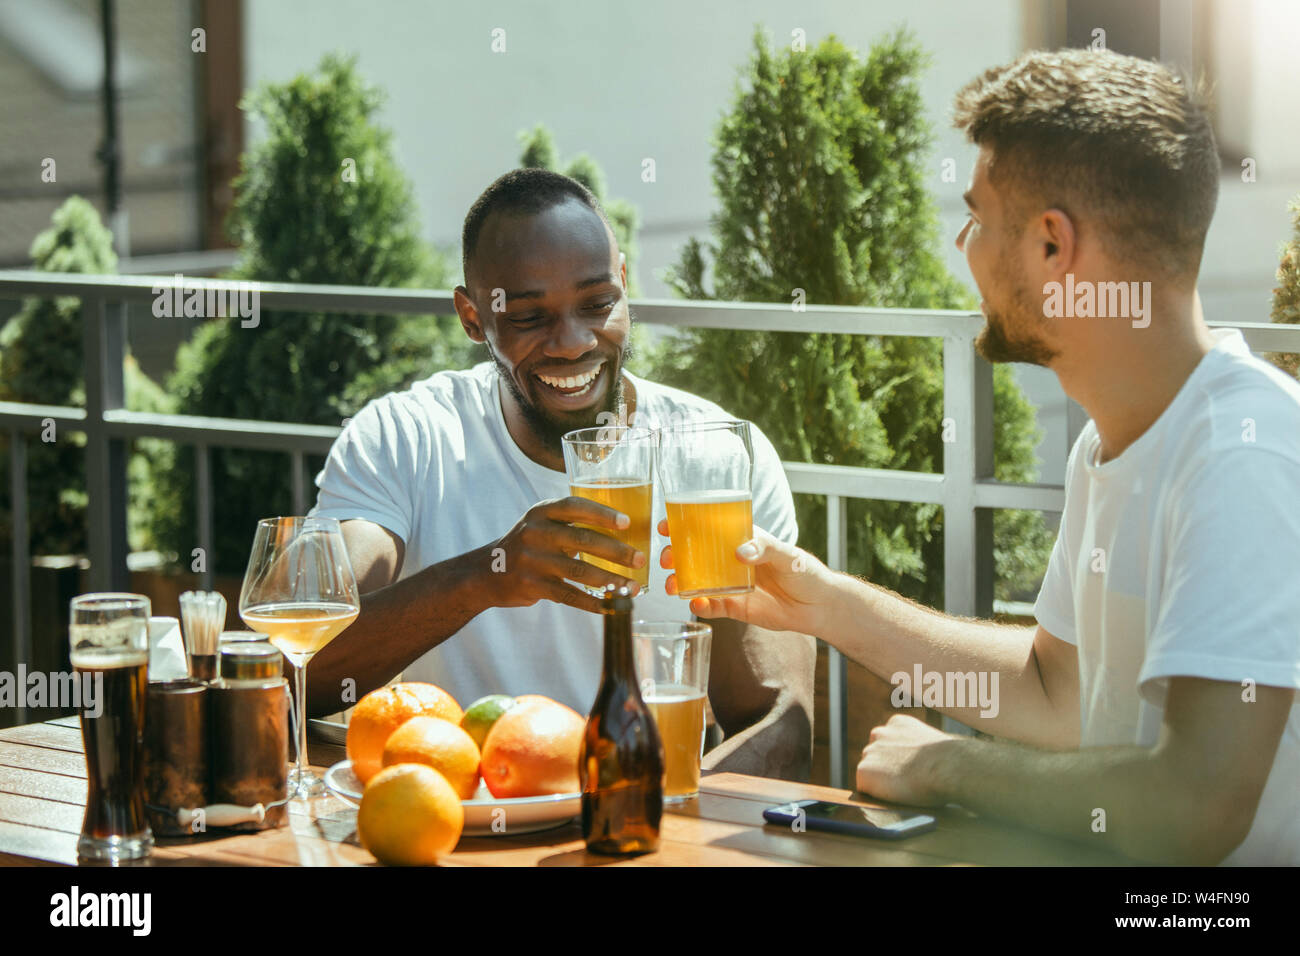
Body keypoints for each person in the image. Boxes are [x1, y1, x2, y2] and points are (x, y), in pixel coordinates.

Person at [663, 49, 1300, 864]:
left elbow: (1196, 805)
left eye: (977, 217)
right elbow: (1057, 691)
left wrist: (948, 765)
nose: (963, 243)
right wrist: (825, 605)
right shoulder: (1113, 439)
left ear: (1050, 246)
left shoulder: (1243, 455)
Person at [307, 168, 815, 780]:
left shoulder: (716, 456)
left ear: (624, 285)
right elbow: (307, 662)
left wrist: (650, 816)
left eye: (598, 304)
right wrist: (485, 576)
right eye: (528, 317)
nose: (572, 343)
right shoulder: (404, 437)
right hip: (455, 827)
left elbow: (779, 721)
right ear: (472, 318)